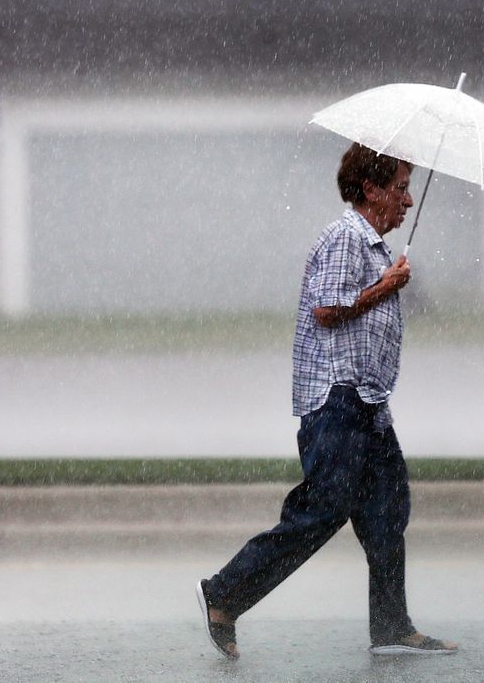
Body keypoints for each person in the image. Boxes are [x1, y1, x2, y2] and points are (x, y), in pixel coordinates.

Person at [196, 142, 458, 658]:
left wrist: (388, 283)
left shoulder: (376, 249)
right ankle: (224, 593)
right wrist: (385, 287)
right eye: (401, 188)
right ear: (370, 190)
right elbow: (327, 310)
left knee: (387, 511)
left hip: (369, 404)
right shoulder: (346, 238)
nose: (407, 201)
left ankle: (391, 623)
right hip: (337, 403)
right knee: (322, 511)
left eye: (409, 190)